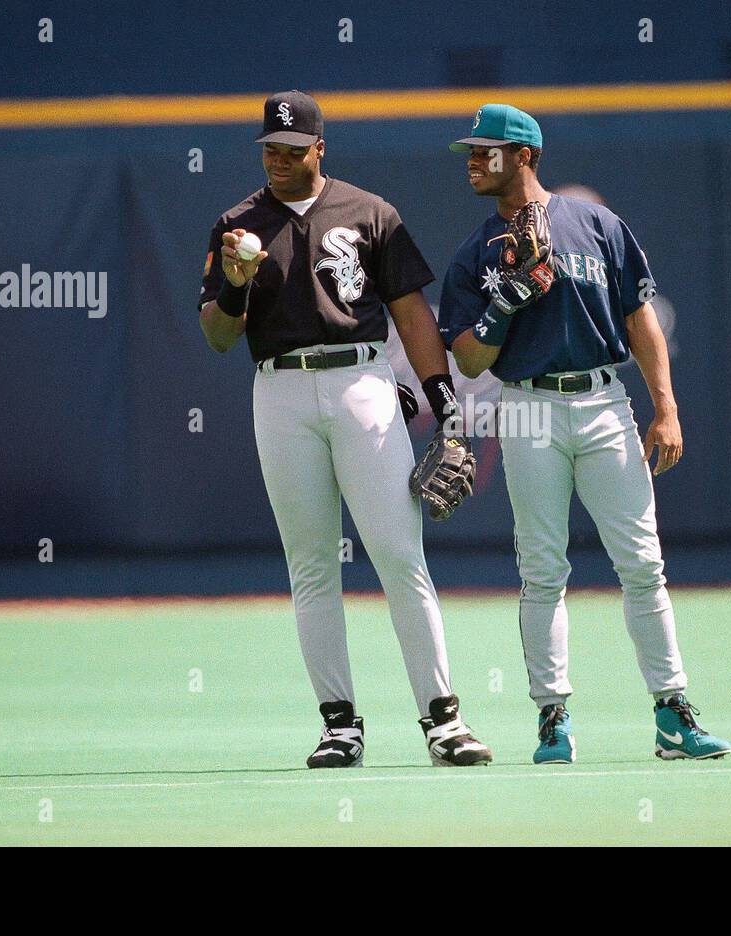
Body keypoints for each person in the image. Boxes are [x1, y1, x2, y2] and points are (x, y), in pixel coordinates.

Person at [197, 90, 491, 768]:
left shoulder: (368, 212)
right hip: (280, 387)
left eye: (292, 150)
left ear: (319, 148)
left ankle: (443, 720)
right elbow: (217, 335)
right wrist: (237, 284)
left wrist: (444, 400)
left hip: (362, 381)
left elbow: (412, 314)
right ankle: (339, 725)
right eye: (270, 148)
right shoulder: (237, 223)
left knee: (397, 552)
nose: (279, 159)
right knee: (311, 566)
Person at [437, 104, 731, 764]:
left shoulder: (597, 224)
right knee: (542, 569)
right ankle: (553, 717)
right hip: (527, 406)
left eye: (488, 151)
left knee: (642, 564)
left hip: (602, 400)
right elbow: (469, 359)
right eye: (471, 151)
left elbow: (640, 320)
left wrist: (666, 407)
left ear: (526, 157)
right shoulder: (474, 253)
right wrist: (503, 306)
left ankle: (672, 711)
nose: (473, 161)